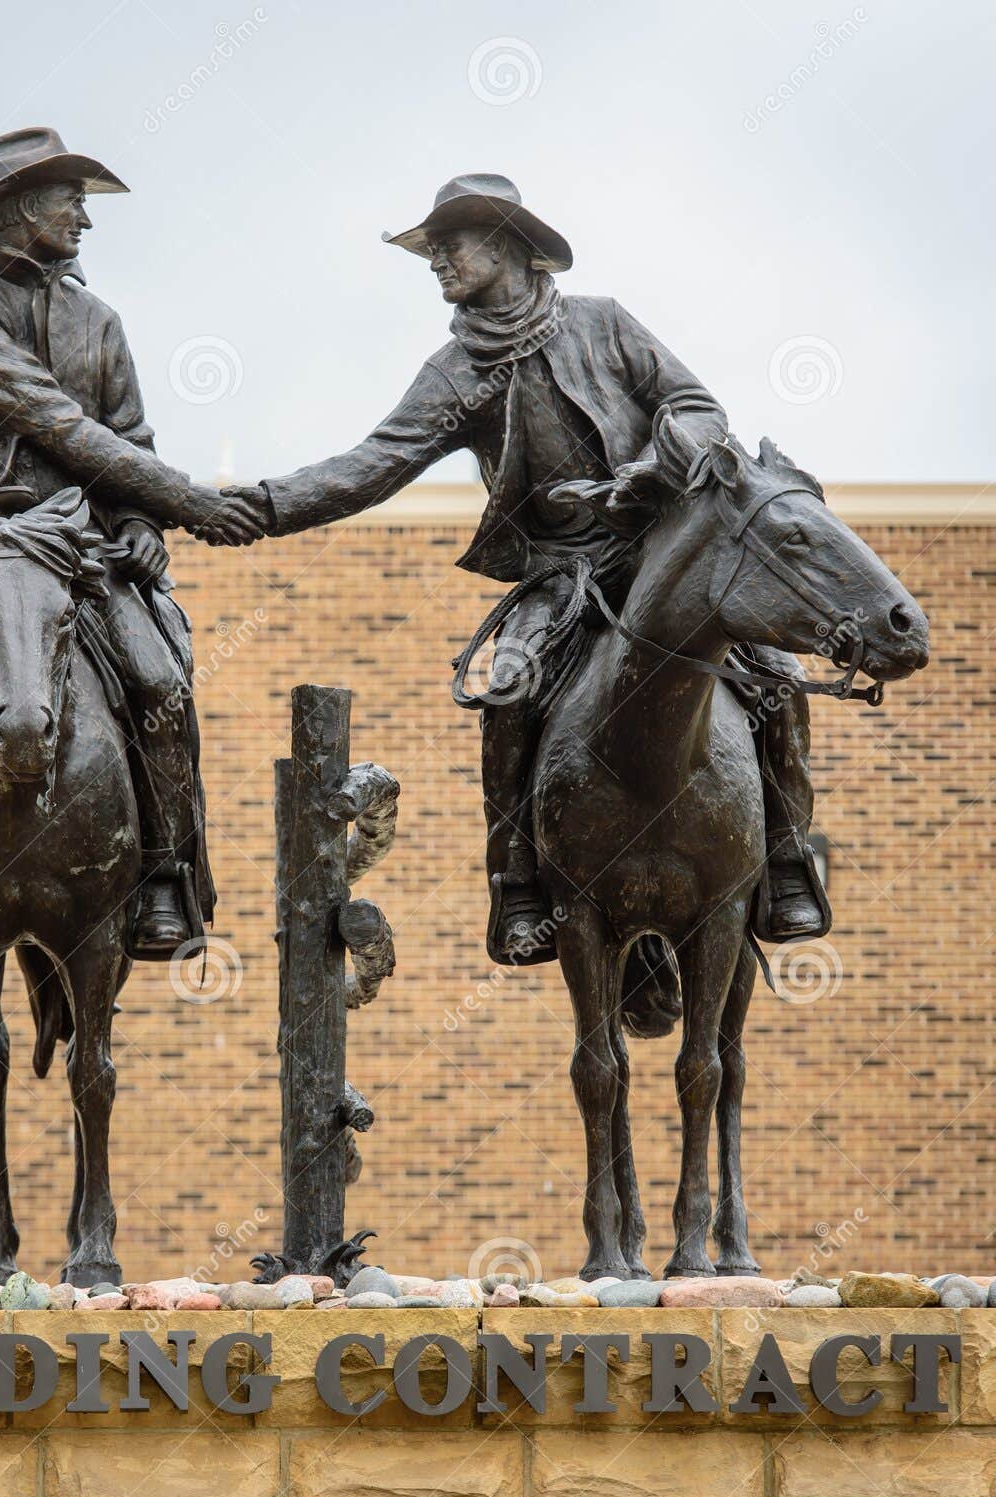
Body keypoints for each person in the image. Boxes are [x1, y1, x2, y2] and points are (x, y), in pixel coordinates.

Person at [216, 174, 830, 969]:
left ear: (504, 244)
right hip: (562, 579)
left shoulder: (604, 325)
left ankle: (785, 860)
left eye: (450, 245)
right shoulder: (458, 371)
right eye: (430, 250)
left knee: (774, 672)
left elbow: (696, 406)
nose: (436, 261)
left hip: (662, 559)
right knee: (508, 691)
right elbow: (374, 466)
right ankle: (516, 884)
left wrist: (646, 469)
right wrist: (261, 507)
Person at [0, 128, 264, 961]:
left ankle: (167, 873)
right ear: (25, 206)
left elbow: (127, 433)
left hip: (84, 550)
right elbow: (57, 424)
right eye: (73, 203)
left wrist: (142, 525)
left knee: (159, 679)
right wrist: (192, 502)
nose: (84, 223)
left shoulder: (99, 321)